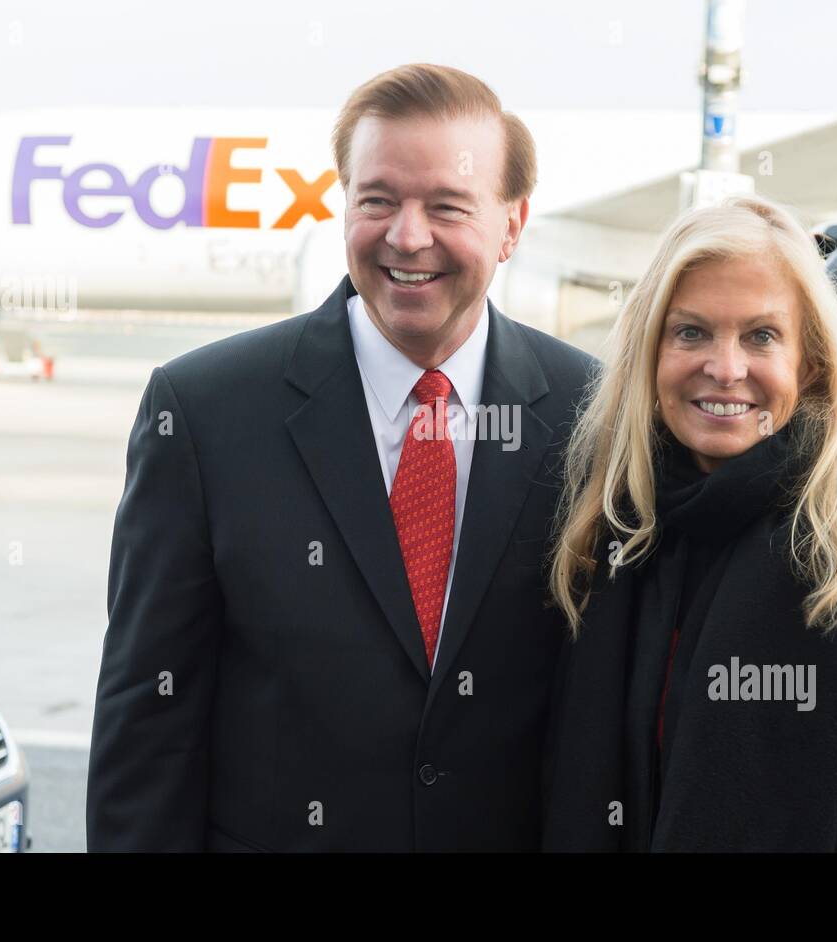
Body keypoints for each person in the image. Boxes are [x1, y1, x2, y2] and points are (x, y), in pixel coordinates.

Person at [87, 63, 595, 851]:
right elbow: (148, 720)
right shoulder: (205, 411)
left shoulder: (588, 413)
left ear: (513, 225)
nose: (406, 235)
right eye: (378, 200)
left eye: (447, 206)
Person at [541, 195, 837, 852]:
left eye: (761, 335)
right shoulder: (606, 527)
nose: (725, 368)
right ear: (649, 354)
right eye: (691, 332)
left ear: (811, 362)